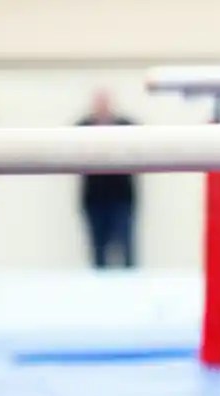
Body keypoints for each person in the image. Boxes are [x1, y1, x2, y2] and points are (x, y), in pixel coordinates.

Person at [77, 90, 138, 269]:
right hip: (94, 198)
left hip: (121, 198)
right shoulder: (83, 127)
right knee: (97, 248)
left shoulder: (126, 125)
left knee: (126, 246)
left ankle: (131, 284)